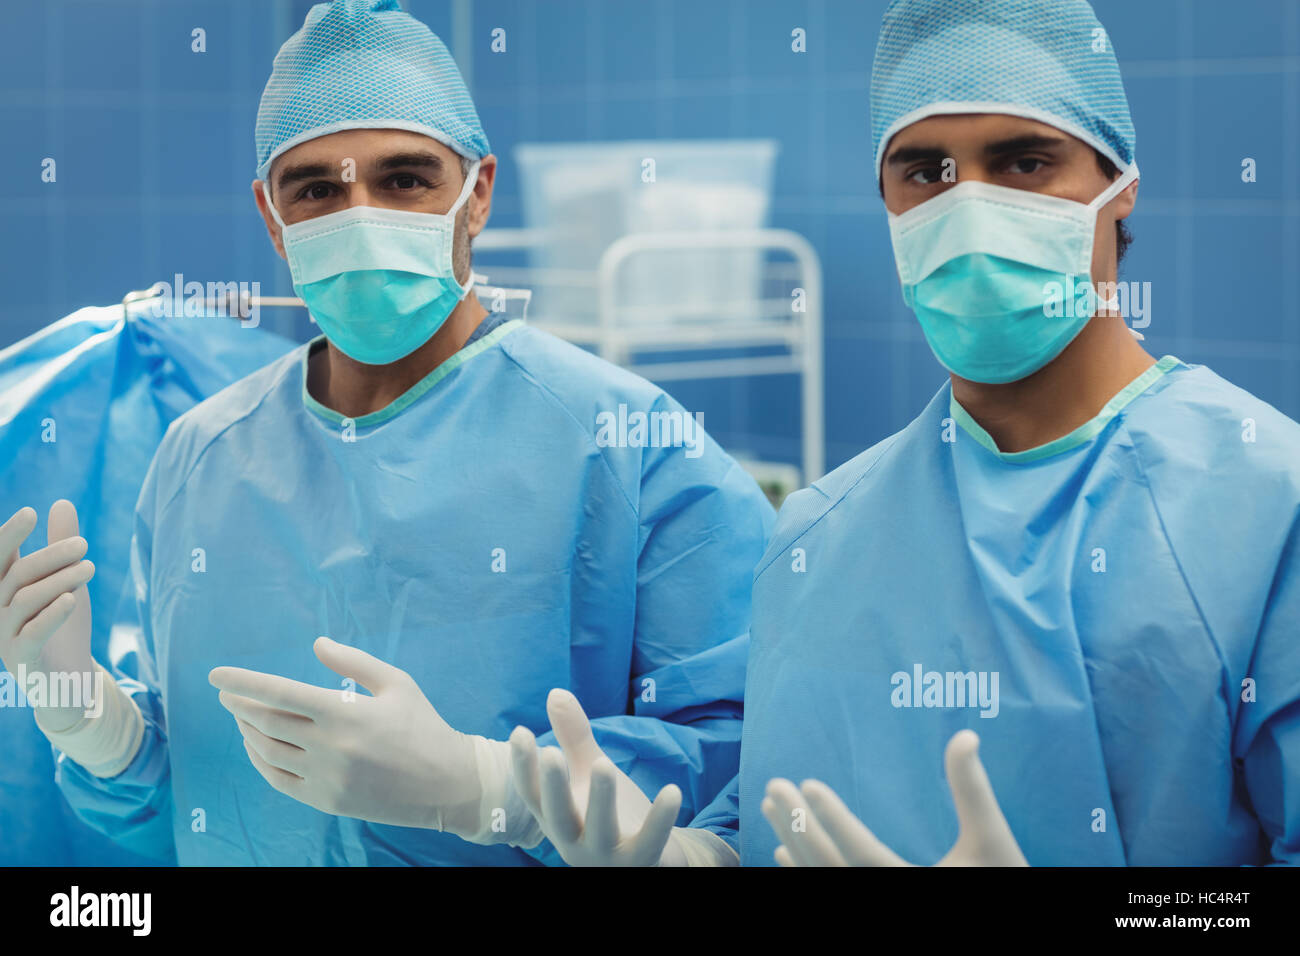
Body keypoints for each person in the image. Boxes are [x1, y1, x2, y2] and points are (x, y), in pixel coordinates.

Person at [510, 0, 1300, 866]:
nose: (970, 207)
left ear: (1121, 187)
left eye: (1025, 161)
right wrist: (702, 858)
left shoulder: (1264, 506)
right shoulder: (822, 533)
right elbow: (781, 810)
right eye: (926, 172)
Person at [0, 0, 771, 866]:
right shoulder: (200, 457)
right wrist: (96, 726)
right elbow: (198, 806)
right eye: (317, 189)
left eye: (405, 179)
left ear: (476, 194)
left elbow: (740, 764)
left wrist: (489, 790)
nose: (358, 213)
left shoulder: (631, 445)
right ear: (271, 215)